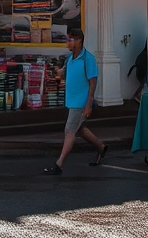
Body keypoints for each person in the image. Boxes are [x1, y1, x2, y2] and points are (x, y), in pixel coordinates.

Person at [44, 27, 104, 174]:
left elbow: (93, 81)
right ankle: (101, 148)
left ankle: (59, 164)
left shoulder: (88, 58)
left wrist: (89, 103)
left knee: (70, 130)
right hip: (72, 101)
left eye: (70, 40)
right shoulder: (70, 59)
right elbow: (67, 75)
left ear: (78, 40)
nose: (67, 43)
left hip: (81, 102)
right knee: (80, 129)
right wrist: (59, 73)